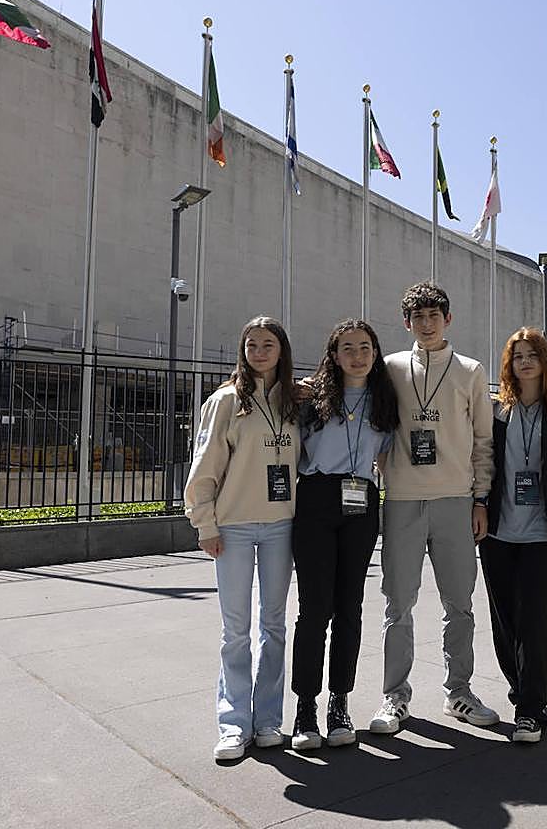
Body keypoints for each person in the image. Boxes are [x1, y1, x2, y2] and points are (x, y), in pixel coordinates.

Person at [369, 281, 498, 734]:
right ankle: (395, 698)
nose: (426, 324)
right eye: (417, 317)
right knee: (397, 605)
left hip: (455, 501)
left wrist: (480, 498)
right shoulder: (388, 368)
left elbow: (484, 440)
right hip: (402, 499)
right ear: (407, 322)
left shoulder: (470, 370)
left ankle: (458, 692)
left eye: (433, 315)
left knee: (459, 605)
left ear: (448, 319)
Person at [185, 316, 300, 761]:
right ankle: (234, 723)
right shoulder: (226, 401)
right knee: (236, 630)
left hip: (281, 526)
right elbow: (205, 464)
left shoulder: (292, 401)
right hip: (232, 528)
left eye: (268, 343)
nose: (259, 350)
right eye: (251, 343)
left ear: (281, 350)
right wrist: (205, 523)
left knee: (274, 625)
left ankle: (268, 719)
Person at [289, 319, 400, 751]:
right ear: (334, 355)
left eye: (366, 348)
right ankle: (304, 708)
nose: (358, 355)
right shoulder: (311, 399)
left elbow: (389, 457)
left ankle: (340, 703)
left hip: (362, 502)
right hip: (316, 499)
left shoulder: (386, 399)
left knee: (350, 607)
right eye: (348, 348)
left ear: (375, 353)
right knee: (314, 609)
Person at [479, 327, 547, 744]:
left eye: (532, 355)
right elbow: (483, 462)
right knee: (504, 620)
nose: (524, 362)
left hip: (542, 533)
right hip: (498, 532)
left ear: (545, 363)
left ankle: (531, 710)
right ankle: (520, 688)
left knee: (534, 619)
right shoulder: (495, 411)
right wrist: (478, 506)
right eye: (517, 356)